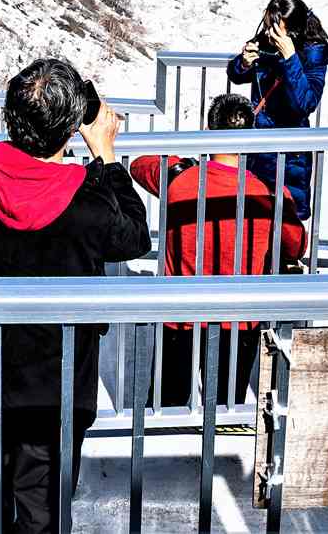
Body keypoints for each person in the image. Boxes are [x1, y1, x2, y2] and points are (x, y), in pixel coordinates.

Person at [0, 58, 150, 534]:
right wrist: (106, 156)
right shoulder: (88, 202)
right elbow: (136, 237)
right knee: (44, 497)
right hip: (57, 377)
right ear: (69, 130)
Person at [131, 93, 308, 407]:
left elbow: (139, 165)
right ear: (251, 139)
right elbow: (295, 246)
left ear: (208, 131)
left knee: (167, 407)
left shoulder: (179, 179)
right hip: (241, 318)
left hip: (179, 315)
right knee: (227, 410)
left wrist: (183, 161)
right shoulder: (269, 194)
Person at [225, 0, 328, 219]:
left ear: (292, 29)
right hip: (257, 147)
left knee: (286, 220)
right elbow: (236, 75)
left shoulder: (314, 50)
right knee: (251, 217)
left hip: (290, 151)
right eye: (266, 25)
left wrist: (290, 57)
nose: (268, 32)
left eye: (274, 27)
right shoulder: (265, 41)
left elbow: (305, 103)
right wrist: (242, 63)